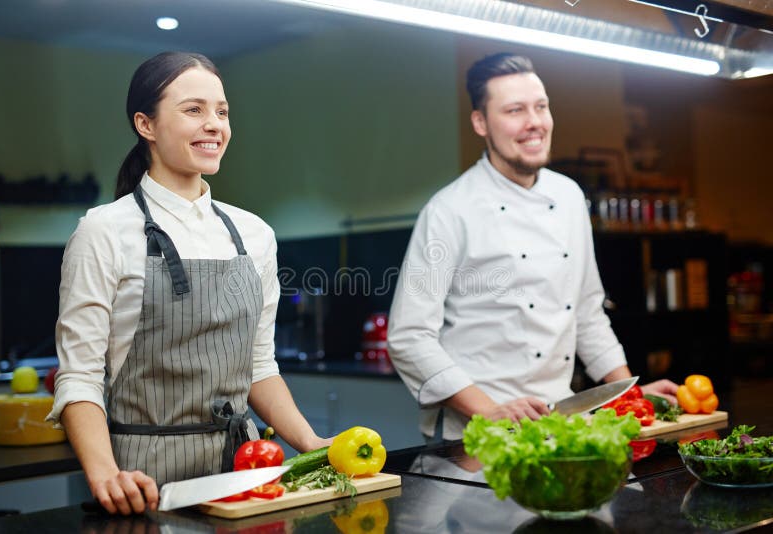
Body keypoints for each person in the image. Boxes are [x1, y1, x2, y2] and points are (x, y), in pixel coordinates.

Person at [48, 52, 331, 515]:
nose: (215, 124)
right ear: (146, 124)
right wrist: (105, 475)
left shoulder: (254, 235)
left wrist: (313, 443)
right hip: (142, 482)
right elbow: (79, 376)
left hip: (246, 475)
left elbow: (258, 365)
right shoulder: (103, 231)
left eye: (222, 111)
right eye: (193, 110)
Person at [387, 53, 678, 441]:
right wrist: (489, 411)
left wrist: (630, 395)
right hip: (475, 432)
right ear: (480, 122)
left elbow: (587, 314)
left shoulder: (569, 195)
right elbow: (409, 336)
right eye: (514, 110)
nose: (534, 122)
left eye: (541, 107)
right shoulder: (448, 210)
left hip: (561, 417)